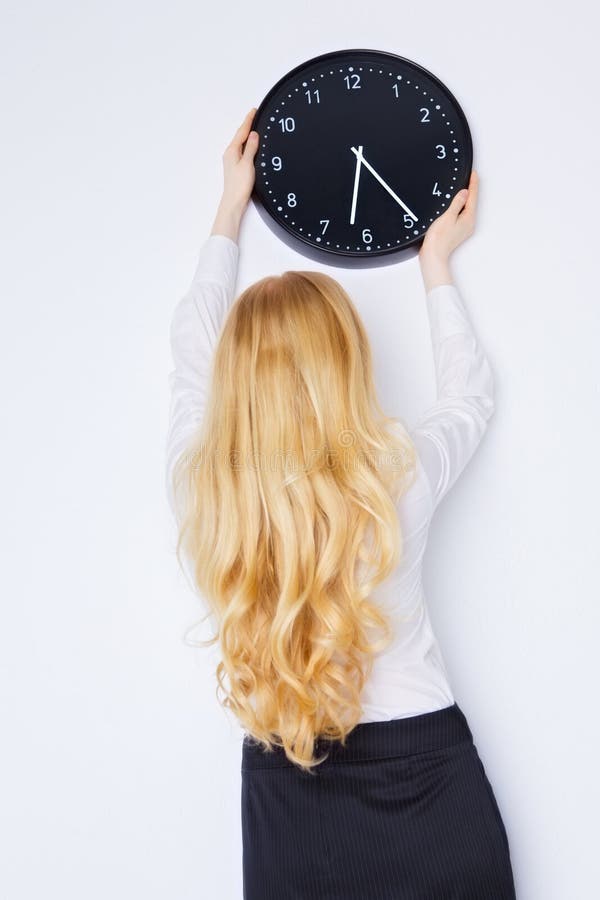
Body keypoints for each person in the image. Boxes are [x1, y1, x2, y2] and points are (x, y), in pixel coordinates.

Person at [165, 108, 517, 899]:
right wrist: (435, 262)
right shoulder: (395, 477)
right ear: (345, 367)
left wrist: (229, 210)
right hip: (431, 787)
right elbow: (470, 397)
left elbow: (192, 354)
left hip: (292, 798)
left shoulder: (207, 484)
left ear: (236, 381)